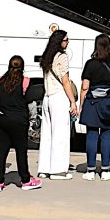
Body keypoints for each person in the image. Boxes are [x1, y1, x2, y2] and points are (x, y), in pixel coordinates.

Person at [0, 54, 40, 191]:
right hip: (18, 120)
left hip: (1, 118)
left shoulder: (0, 80)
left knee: (1, 151)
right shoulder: (25, 81)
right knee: (21, 151)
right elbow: (30, 103)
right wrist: (33, 119)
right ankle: (25, 180)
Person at [35, 30, 79, 179]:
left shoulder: (47, 56)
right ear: (60, 41)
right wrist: (73, 101)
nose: (68, 43)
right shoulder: (62, 57)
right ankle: (58, 170)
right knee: (60, 134)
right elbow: (65, 81)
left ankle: (44, 168)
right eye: (66, 40)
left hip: (47, 97)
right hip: (59, 97)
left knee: (47, 134)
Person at [80, 33, 110, 179]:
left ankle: (90, 170)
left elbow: (85, 86)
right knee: (107, 135)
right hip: (109, 102)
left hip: (92, 102)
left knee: (91, 135)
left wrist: (80, 104)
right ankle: (105, 170)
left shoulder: (90, 64)